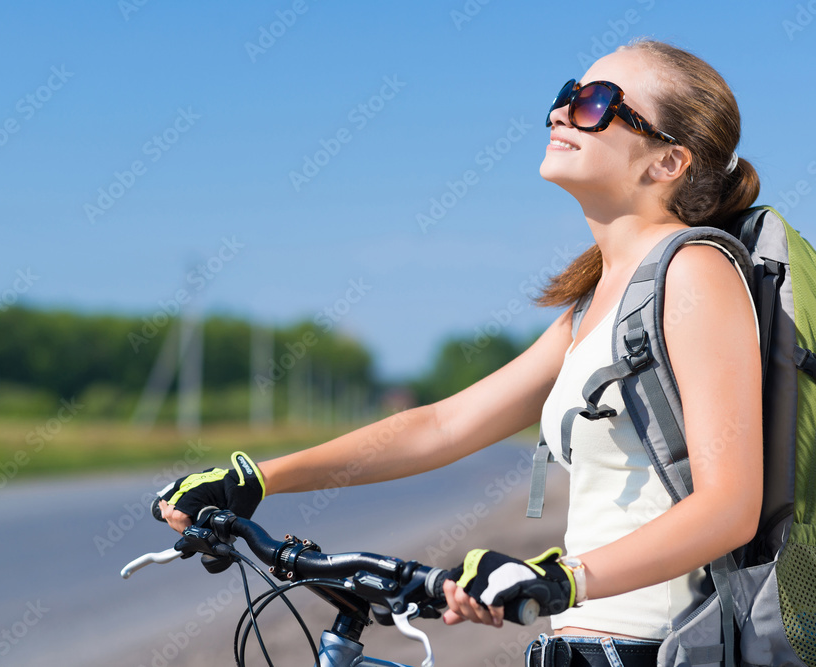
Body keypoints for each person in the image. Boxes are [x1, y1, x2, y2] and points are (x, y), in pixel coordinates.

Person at [155, 38, 763, 666]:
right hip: (576, 648)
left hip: (657, 650)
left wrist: (560, 578)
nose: (559, 114)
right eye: (564, 96)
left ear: (667, 161)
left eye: (595, 104)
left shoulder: (696, 274)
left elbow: (730, 505)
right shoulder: (596, 301)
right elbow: (442, 426)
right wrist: (262, 477)